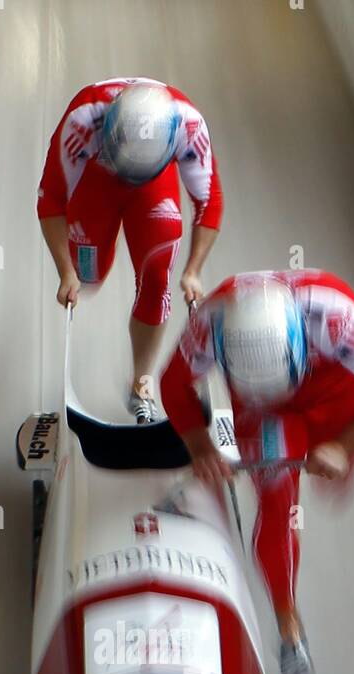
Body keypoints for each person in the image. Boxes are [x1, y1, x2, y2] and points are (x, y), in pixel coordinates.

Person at [160, 269, 354, 674]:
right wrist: (201, 449)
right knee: (278, 506)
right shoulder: (209, 323)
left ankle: (326, 448)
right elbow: (173, 385)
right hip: (263, 415)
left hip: (334, 398)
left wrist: (344, 444)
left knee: (332, 485)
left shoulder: (336, 319)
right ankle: (287, 621)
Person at [37, 78, 223, 423]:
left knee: (157, 281)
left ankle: (141, 384)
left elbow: (208, 202)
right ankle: (84, 271)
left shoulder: (189, 126)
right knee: (87, 276)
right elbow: (50, 201)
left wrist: (194, 269)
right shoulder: (81, 123)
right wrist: (65, 272)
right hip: (97, 181)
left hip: (154, 189)